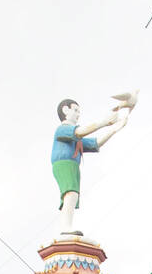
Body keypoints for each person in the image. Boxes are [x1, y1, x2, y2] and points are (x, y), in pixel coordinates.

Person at [52, 93, 137, 236]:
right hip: (64, 164)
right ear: (65, 110)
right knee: (70, 193)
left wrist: (115, 128)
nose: (78, 114)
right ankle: (65, 227)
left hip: (72, 165)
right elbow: (80, 132)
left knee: (72, 195)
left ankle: (66, 226)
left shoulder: (75, 137)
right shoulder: (63, 129)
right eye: (75, 110)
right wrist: (103, 122)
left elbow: (96, 143)